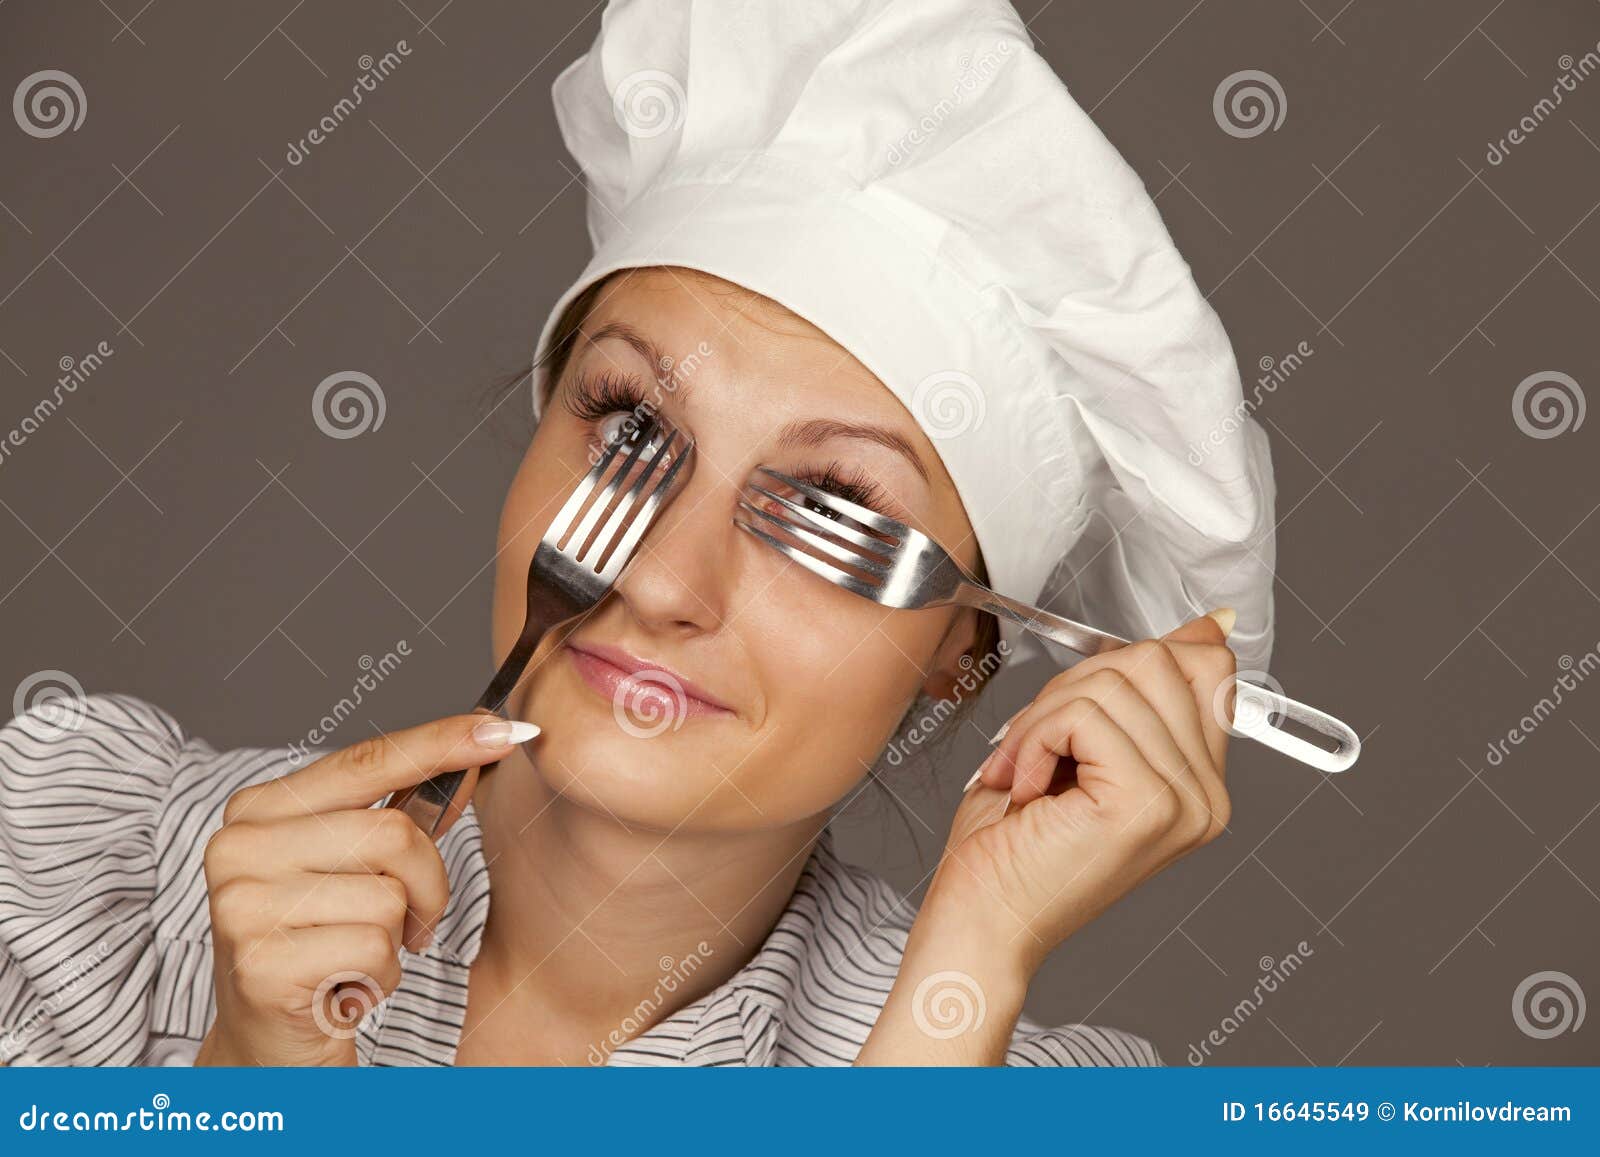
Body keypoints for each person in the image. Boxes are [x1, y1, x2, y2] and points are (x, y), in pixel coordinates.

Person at [0, 0, 1275, 1067]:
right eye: (625, 428)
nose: (659, 576)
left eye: (832, 513)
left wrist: (966, 965)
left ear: (957, 650)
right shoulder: (66, 865)